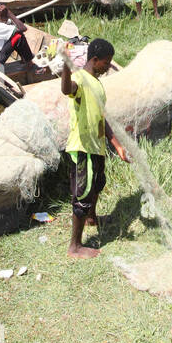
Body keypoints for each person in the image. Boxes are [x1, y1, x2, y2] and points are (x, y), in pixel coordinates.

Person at [60, 38, 129, 258]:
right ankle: (75, 246)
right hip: (83, 147)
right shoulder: (80, 78)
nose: (108, 67)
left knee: (97, 184)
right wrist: (65, 66)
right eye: (106, 62)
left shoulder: (98, 84)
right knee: (83, 194)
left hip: (96, 146)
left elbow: (102, 118)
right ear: (95, 59)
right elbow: (66, 89)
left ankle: (91, 218)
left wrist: (116, 144)